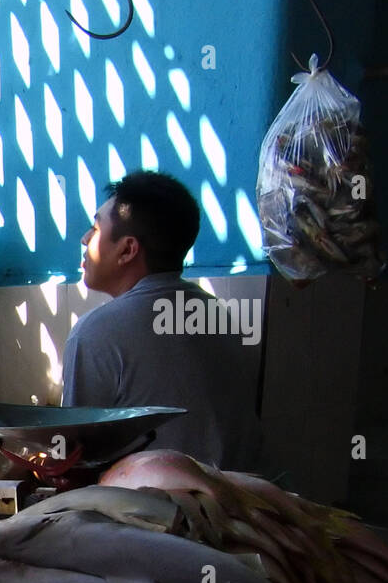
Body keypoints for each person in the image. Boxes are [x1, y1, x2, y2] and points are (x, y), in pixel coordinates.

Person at [63, 170, 262, 470]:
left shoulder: (95, 333)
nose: (85, 238)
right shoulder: (219, 315)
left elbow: (73, 455)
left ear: (127, 249)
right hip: (246, 504)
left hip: (155, 510)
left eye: (95, 227)